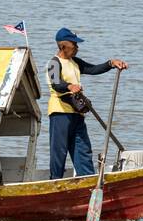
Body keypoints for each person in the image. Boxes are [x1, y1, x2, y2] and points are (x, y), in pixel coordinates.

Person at [47, 28, 128, 179]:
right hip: (60, 114)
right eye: (74, 45)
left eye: (77, 45)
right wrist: (70, 86)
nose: (77, 48)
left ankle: (88, 181)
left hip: (77, 115)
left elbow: (93, 69)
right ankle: (55, 182)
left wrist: (111, 63)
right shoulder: (53, 63)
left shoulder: (74, 62)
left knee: (83, 150)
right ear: (63, 46)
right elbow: (55, 84)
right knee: (59, 152)